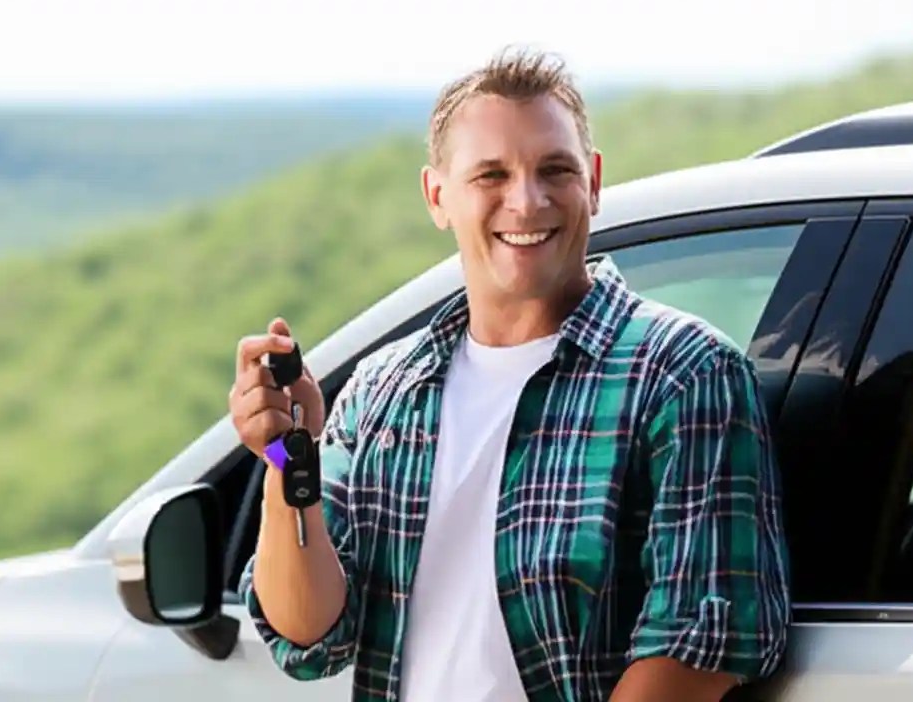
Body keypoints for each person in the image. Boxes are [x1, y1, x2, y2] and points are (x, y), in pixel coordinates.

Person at [228, 46, 791, 702]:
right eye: (490, 175)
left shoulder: (685, 375)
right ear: (437, 196)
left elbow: (697, 651)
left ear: (595, 181)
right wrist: (282, 459)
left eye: (555, 170)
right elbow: (310, 638)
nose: (526, 202)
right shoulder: (382, 393)